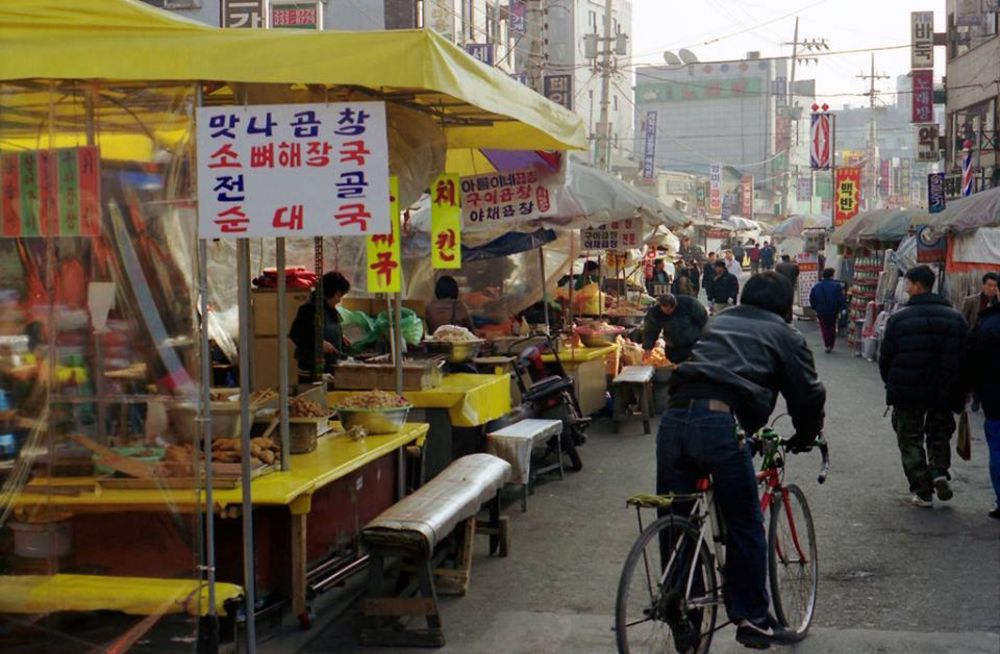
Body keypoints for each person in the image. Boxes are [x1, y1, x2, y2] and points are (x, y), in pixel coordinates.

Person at [658, 272, 825, 650]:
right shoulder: (786, 334)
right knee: (745, 522)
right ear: (785, 304)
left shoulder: (719, 321)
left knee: (674, 518)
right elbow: (807, 394)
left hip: (673, 419)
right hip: (721, 422)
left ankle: (682, 610)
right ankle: (751, 618)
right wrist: (806, 435)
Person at [879, 265, 968, 508]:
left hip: (908, 392)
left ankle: (923, 490)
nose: (906, 289)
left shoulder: (899, 318)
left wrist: (893, 384)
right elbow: (965, 358)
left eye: (908, 284)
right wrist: (960, 390)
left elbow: (885, 357)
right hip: (944, 390)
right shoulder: (956, 318)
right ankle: (938, 471)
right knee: (938, 432)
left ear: (917, 285)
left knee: (910, 438)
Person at [963, 300, 1000, 519]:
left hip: (995, 398)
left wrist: (968, 390)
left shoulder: (988, 323)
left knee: (997, 448)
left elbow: (972, 359)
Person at [288, 270, 351, 383]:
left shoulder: (329, 308)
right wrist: (319, 343)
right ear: (329, 292)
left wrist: (339, 336)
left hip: (329, 366)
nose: (339, 300)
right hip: (311, 368)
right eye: (338, 295)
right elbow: (296, 335)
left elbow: (326, 328)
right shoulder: (308, 309)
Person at [961, 272, 999, 412]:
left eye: (995, 286)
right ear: (983, 285)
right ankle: (976, 398)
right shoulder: (971, 301)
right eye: (989, 285)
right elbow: (963, 320)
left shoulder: (997, 303)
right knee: (976, 372)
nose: (992, 289)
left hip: (992, 346)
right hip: (975, 344)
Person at [642, 293, 707, 363]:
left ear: (675, 305)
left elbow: (704, 320)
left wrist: (704, 339)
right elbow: (650, 331)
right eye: (664, 310)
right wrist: (648, 348)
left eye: (669, 310)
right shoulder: (656, 312)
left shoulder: (689, 304)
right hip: (673, 349)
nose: (667, 313)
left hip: (692, 345)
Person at [809, 268, 847, 353]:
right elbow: (840, 299)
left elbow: (812, 299)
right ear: (831, 275)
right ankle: (831, 344)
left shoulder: (816, 286)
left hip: (821, 310)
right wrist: (842, 308)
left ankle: (827, 344)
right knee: (832, 326)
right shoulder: (836, 285)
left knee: (824, 327)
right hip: (833, 310)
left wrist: (815, 307)